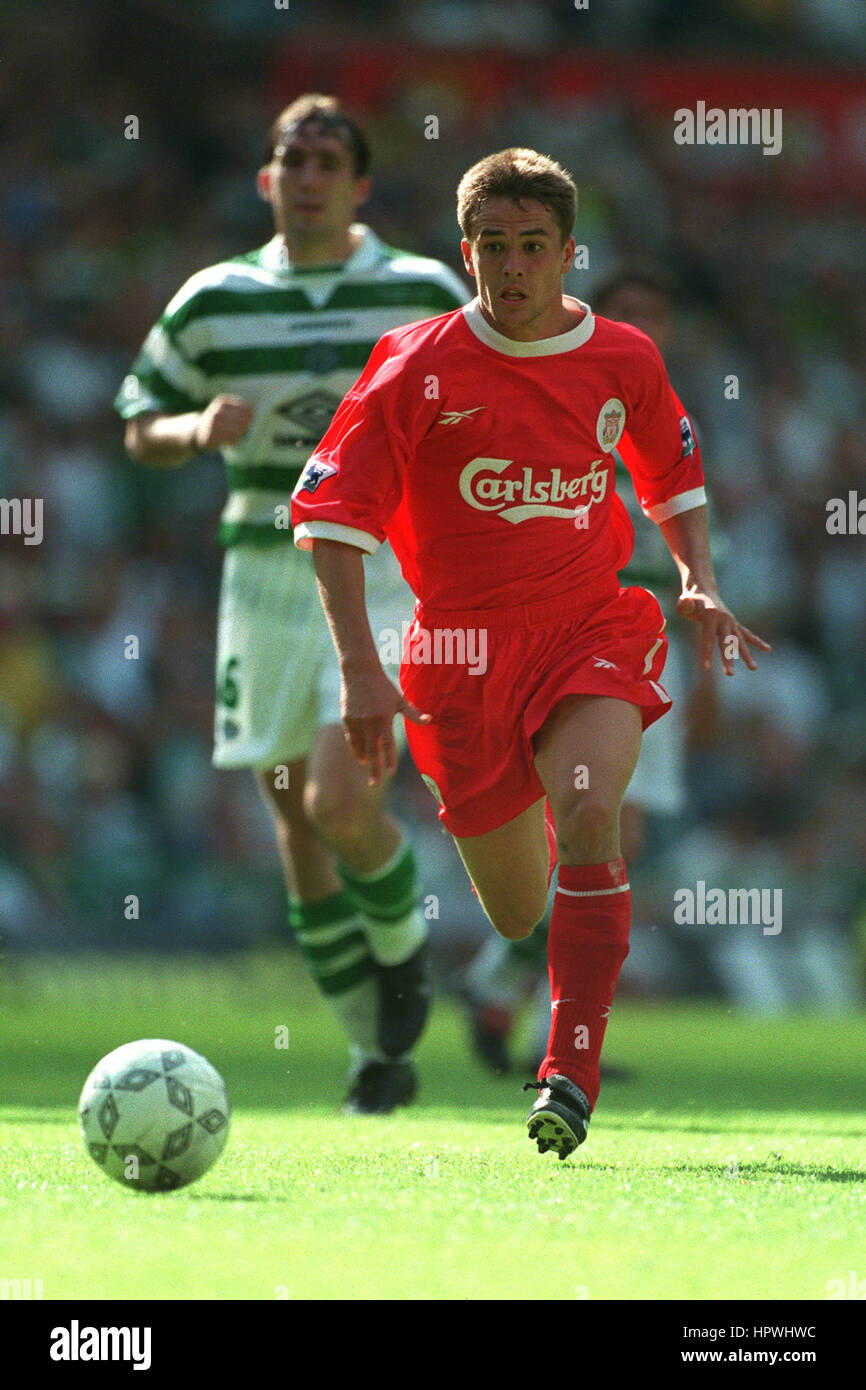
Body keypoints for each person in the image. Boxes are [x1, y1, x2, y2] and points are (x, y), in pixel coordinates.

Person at [291, 147, 769, 1159]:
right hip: (456, 661)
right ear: (466, 253)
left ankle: (568, 1073)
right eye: (492, 248)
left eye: (532, 248)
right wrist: (358, 667)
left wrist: (697, 578)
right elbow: (331, 520)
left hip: (587, 628)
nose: (511, 268)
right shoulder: (413, 363)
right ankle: (553, 941)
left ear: (565, 254)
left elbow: (670, 478)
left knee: (592, 809)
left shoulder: (624, 358)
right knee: (517, 908)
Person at [115, 94, 469, 1115]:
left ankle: (401, 957)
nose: (307, 177)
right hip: (261, 570)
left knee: (338, 797)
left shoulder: (418, 289)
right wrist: (193, 430)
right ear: (266, 180)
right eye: (290, 160)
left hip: (378, 565)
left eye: (326, 161)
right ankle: (375, 1051)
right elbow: (139, 419)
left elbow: (480, 404)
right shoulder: (214, 299)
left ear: (358, 186)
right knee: (292, 819)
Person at [462, 265, 716, 1078]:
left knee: (609, 835)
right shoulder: (562, 403)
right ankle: (527, 1013)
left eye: (658, 316)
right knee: (597, 827)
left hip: (644, 638)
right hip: (572, 639)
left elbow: (689, 531)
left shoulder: (659, 413)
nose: (646, 328)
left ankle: (514, 1002)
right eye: (629, 312)